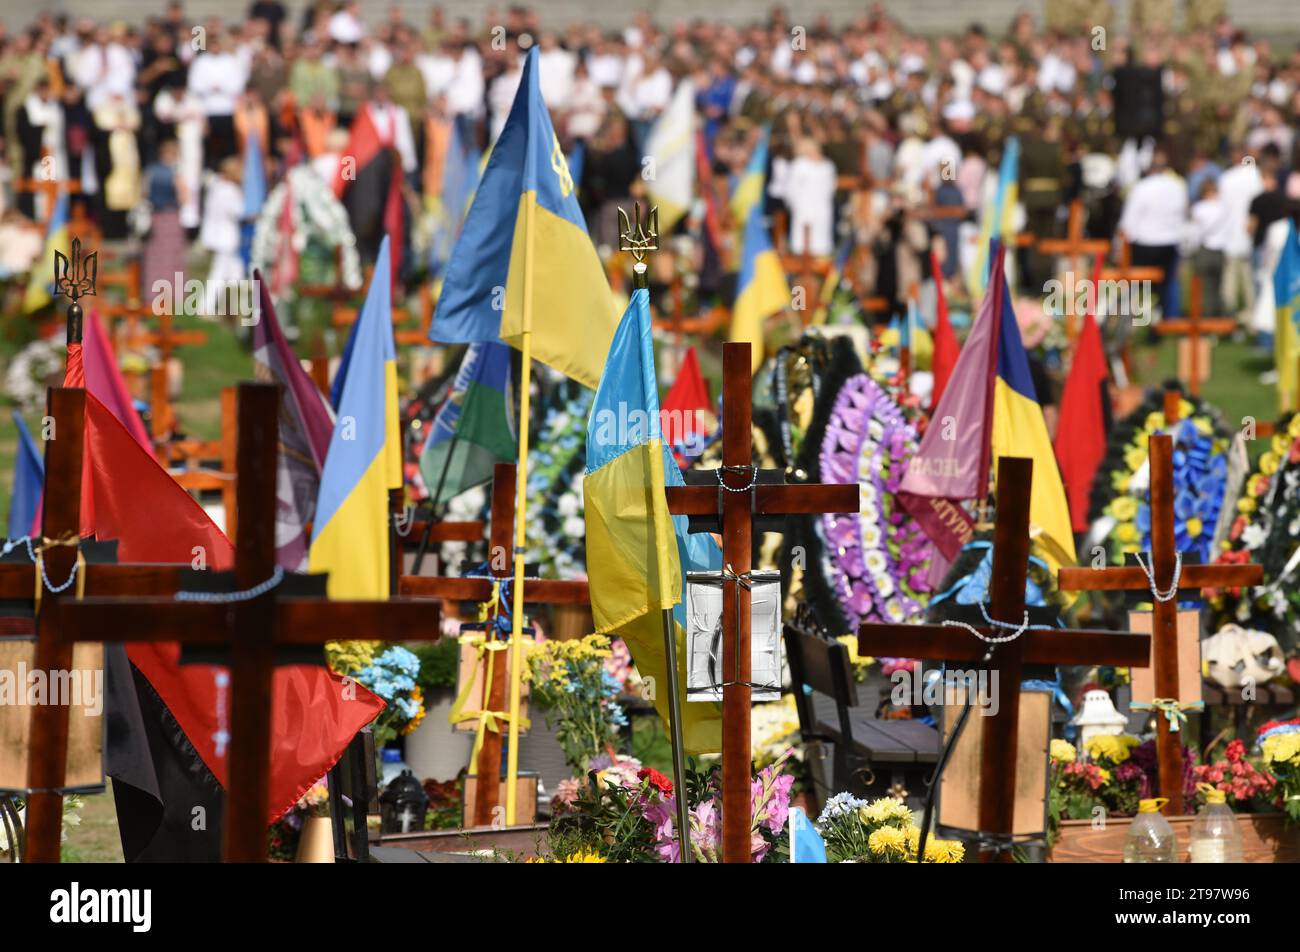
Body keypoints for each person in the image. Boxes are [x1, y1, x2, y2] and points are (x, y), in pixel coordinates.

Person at [1118, 148, 1188, 320]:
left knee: (1141, 285)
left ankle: (1141, 320)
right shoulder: (1176, 187)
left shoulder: (1142, 187)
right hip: (1170, 242)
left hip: (1145, 242)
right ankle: (1167, 320)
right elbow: (1182, 214)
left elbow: (1129, 219)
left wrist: (1121, 243)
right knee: (1167, 284)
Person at [141, 138, 187, 296]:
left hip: (155, 216)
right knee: (171, 255)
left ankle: (152, 291)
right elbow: (184, 197)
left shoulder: (150, 171)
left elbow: (144, 193)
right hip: (170, 216)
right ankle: (172, 291)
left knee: (155, 255)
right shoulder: (175, 174)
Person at [199, 156, 244, 316]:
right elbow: (239, 211)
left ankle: (231, 307)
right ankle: (206, 306)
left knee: (233, 274)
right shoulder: (229, 191)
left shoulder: (216, 186)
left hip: (216, 234)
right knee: (219, 273)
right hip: (226, 236)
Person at [1189, 177, 1229, 316]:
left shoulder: (1198, 208)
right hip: (1220, 252)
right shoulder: (1223, 208)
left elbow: (1195, 233)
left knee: (1205, 290)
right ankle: (1221, 319)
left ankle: (1207, 320)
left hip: (1204, 250)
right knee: (1219, 289)